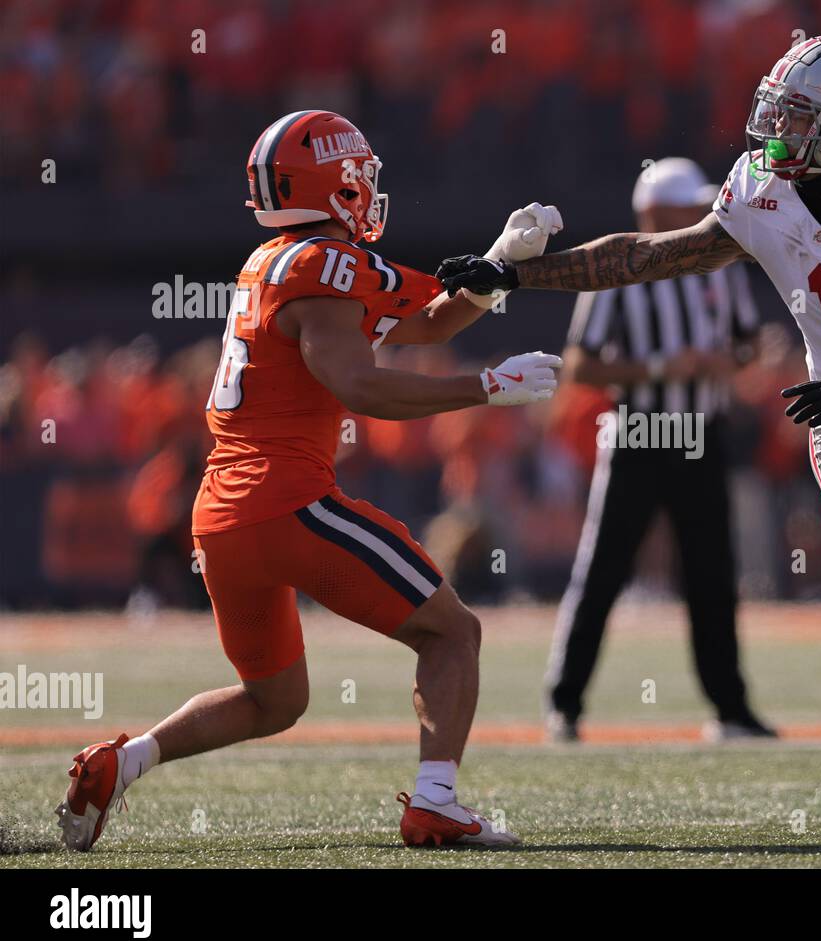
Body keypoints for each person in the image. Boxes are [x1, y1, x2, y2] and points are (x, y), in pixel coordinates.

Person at [437, 37, 821, 839]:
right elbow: (653, 255)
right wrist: (514, 276)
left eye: (801, 117)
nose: (776, 130)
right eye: (777, 110)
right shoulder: (759, 190)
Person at [56, 110, 564, 851]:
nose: (371, 187)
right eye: (360, 173)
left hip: (222, 519)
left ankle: (121, 762)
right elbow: (361, 387)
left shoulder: (279, 262)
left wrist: (496, 264)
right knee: (452, 631)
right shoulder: (322, 267)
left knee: (274, 700)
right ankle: (436, 803)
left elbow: (420, 323)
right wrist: (484, 388)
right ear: (338, 183)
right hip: (287, 503)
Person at [545, 158, 774, 742]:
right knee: (604, 568)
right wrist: (656, 367)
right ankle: (564, 704)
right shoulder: (621, 271)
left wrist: (733, 361)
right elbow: (578, 364)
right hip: (640, 429)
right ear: (654, 213)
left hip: (702, 429)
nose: (701, 216)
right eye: (687, 207)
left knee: (712, 574)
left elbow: (749, 344)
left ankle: (730, 708)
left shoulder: (720, 266)